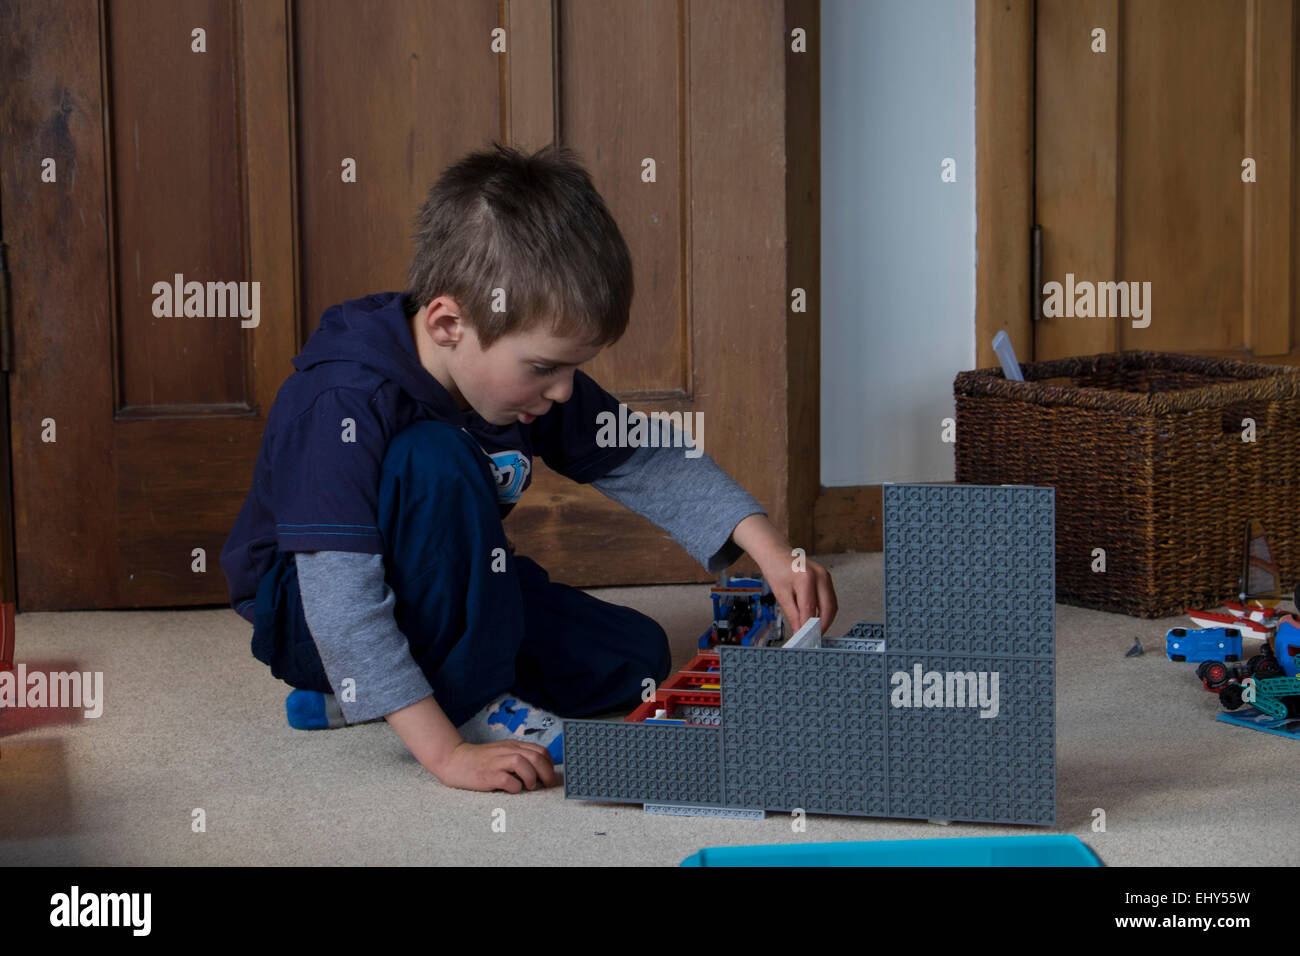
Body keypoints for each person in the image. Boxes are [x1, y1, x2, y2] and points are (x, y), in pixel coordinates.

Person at [220, 142, 837, 794]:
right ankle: (444, 697)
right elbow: (340, 605)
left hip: (446, 594)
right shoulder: (343, 400)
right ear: (449, 322)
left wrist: (769, 547)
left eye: (573, 368)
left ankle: (370, 696)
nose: (566, 391)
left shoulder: (522, 375)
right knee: (434, 458)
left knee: (636, 659)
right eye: (545, 368)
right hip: (311, 616)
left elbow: (644, 454)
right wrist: (448, 753)